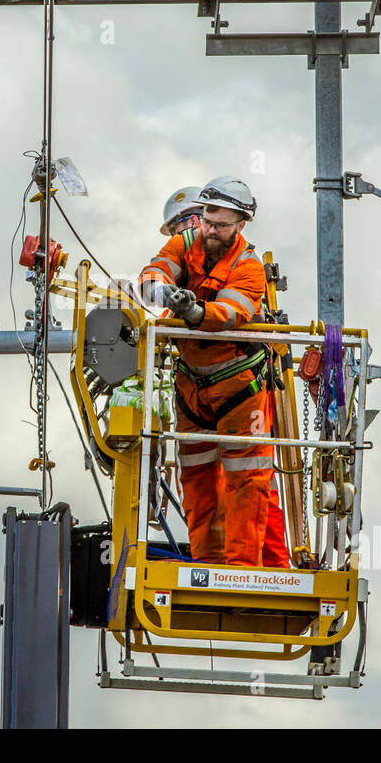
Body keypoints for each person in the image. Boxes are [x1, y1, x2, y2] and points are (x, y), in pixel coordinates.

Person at [139, 177, 279, 567]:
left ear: (241, 224)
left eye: (219, 225)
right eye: (206, 220)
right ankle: (208, 562)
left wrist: (195, 311)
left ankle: (241, 572)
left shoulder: (248, 266)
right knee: (198, 482)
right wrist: (164, 292)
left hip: (239, 389)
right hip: (191, 389)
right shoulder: (183, 244)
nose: (210, 230)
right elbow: (151, 277)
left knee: (246, 481)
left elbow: (232, 314)